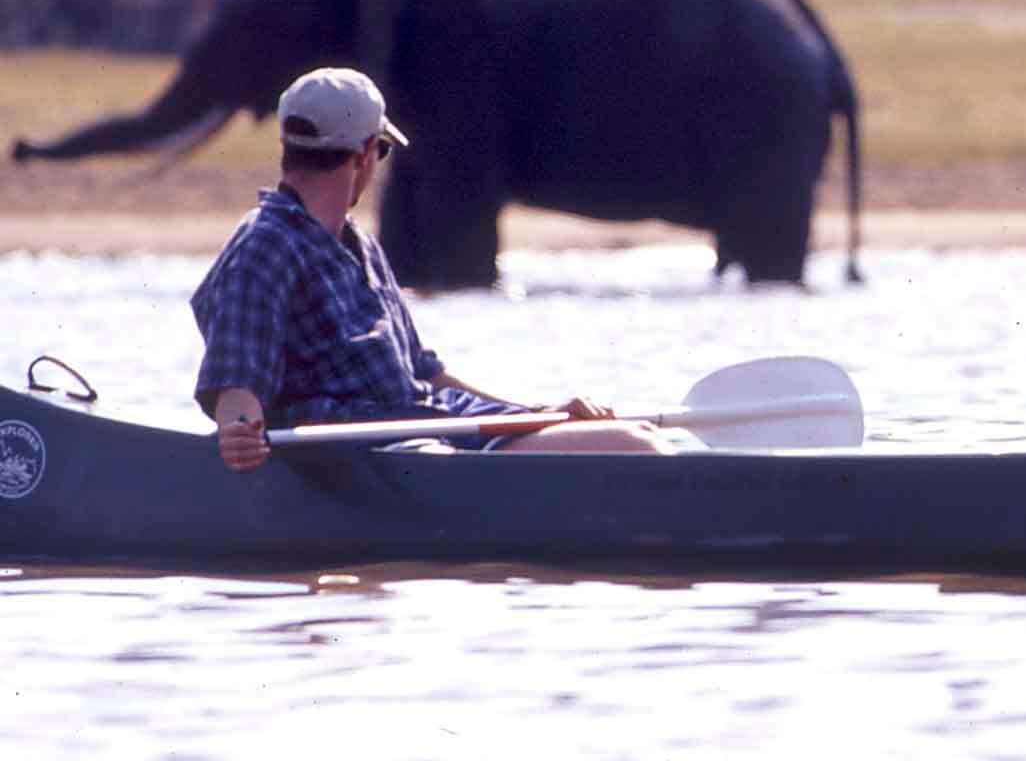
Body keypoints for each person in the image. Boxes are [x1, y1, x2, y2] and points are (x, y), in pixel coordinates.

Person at [192, 66, 673, 472]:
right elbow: (237, 385)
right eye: (379, 151)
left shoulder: (358, 242)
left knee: (633, 435)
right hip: (372, 449)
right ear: (364, 154)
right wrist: (238, 433)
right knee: (637, 450)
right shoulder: (264, 245)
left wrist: (535, 414)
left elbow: (426, 373)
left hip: (425, 419)